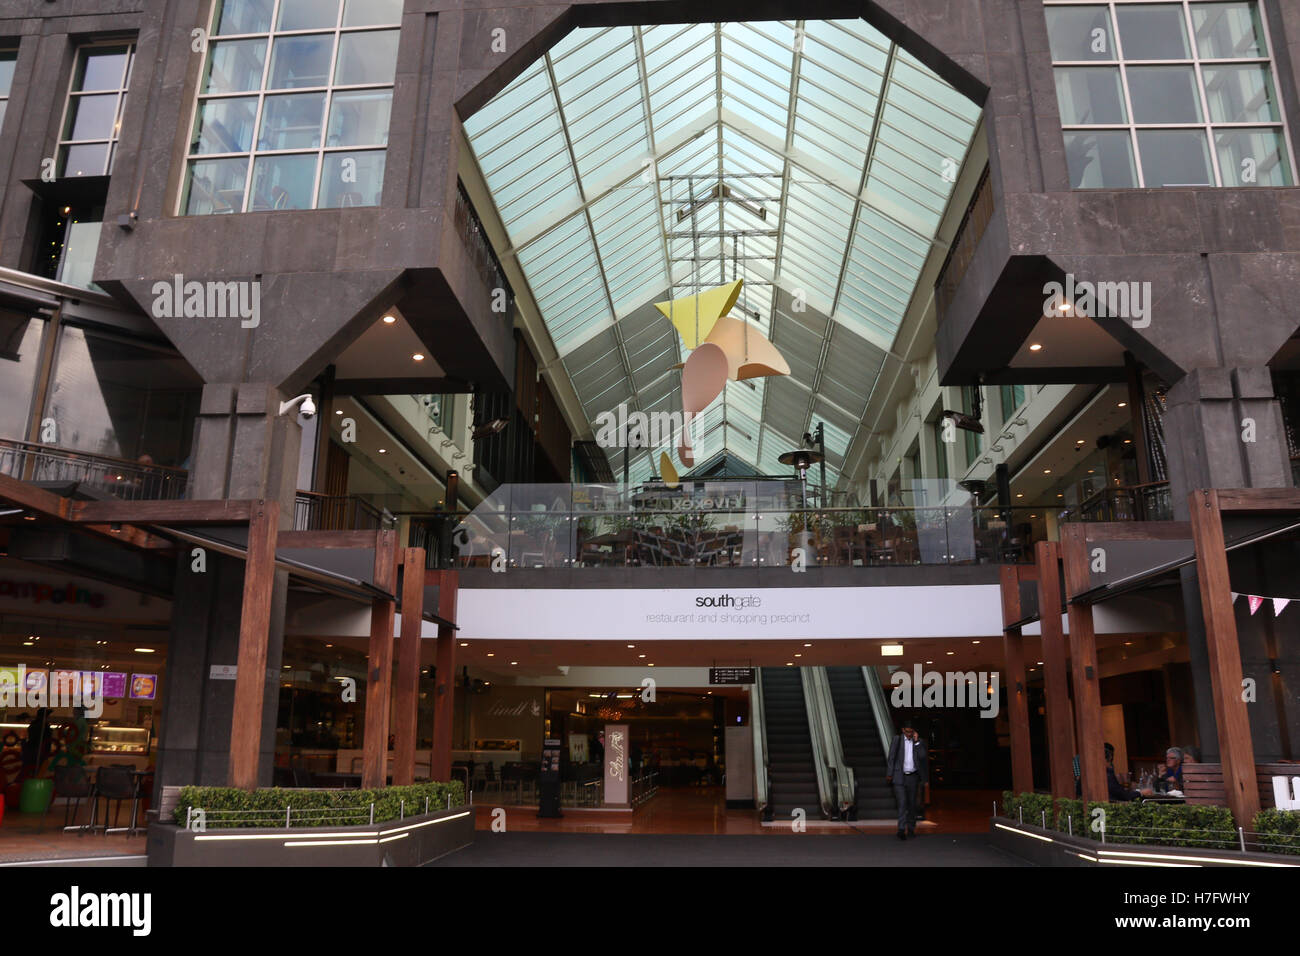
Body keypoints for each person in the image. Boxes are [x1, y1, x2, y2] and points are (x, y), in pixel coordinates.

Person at [885, 718, 928, 840]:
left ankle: (911, 828)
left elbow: (923, 756)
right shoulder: (897, 740)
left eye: (911, 732)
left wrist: (917, 741)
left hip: (913, 777)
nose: (909, 734)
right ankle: (901, 829)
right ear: (903, 730)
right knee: (902, 803)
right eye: (907, 731)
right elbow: (891, 757)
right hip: (899, 776)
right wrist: (889, 773)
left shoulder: (919, 742)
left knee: (912, 804)